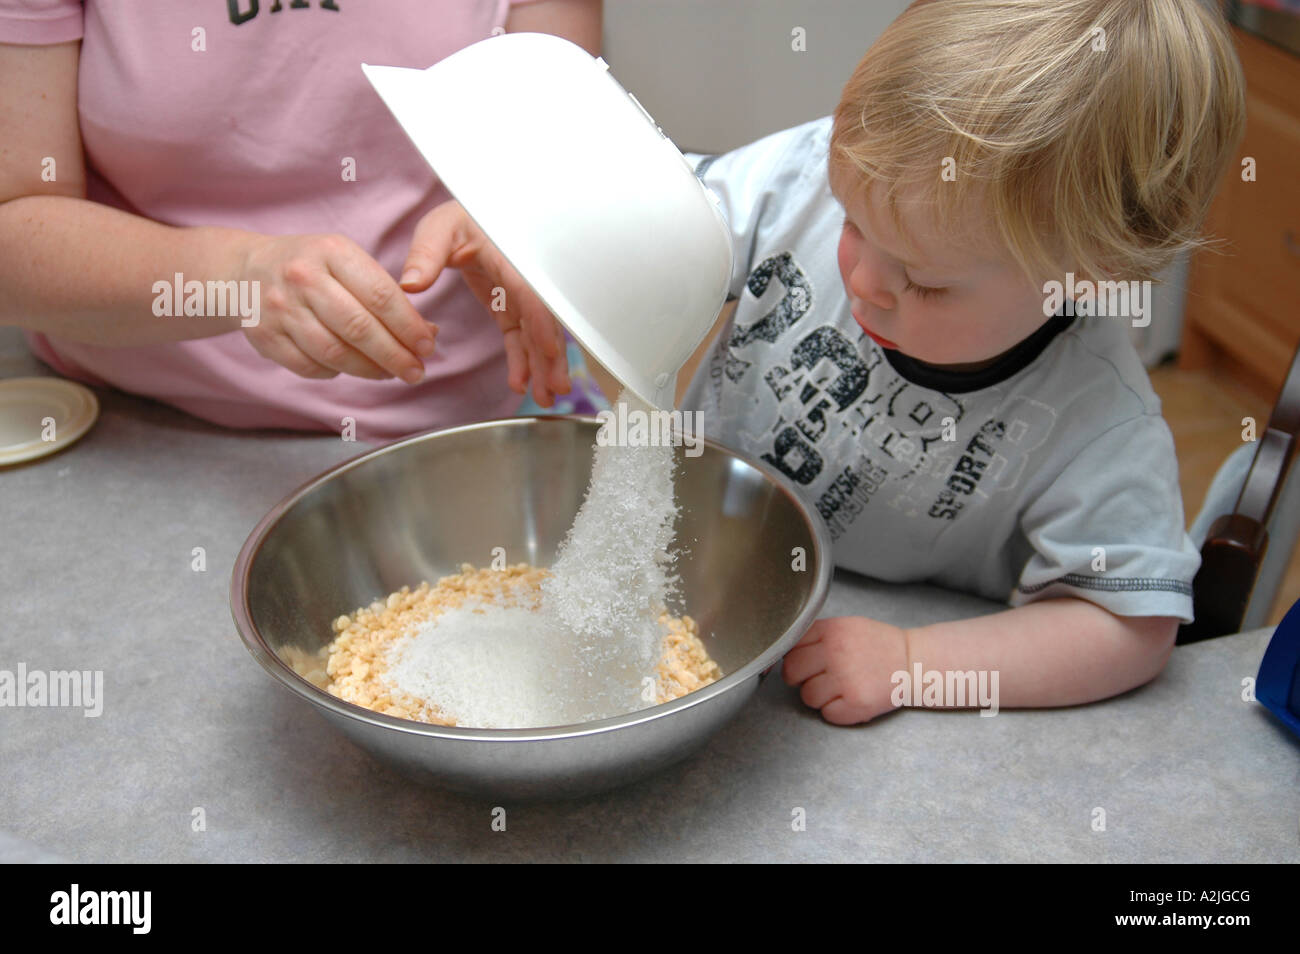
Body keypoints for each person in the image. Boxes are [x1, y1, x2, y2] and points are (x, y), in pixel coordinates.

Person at [405, 0, 1246, 724]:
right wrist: (527, 234)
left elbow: (1127, 631)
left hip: (880, 646)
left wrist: (917, 666)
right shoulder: (811, 179)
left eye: (925, 282)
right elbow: (657, 229)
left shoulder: (1096, 421)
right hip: (702, 587)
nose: (864, 282)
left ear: (1090, 277)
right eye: (851, 222)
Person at [0, 0, 597, 442]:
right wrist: (234, 278)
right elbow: (14, 229)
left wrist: (516, 215)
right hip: (129, 434)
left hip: (475, 425)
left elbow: (563, 146)